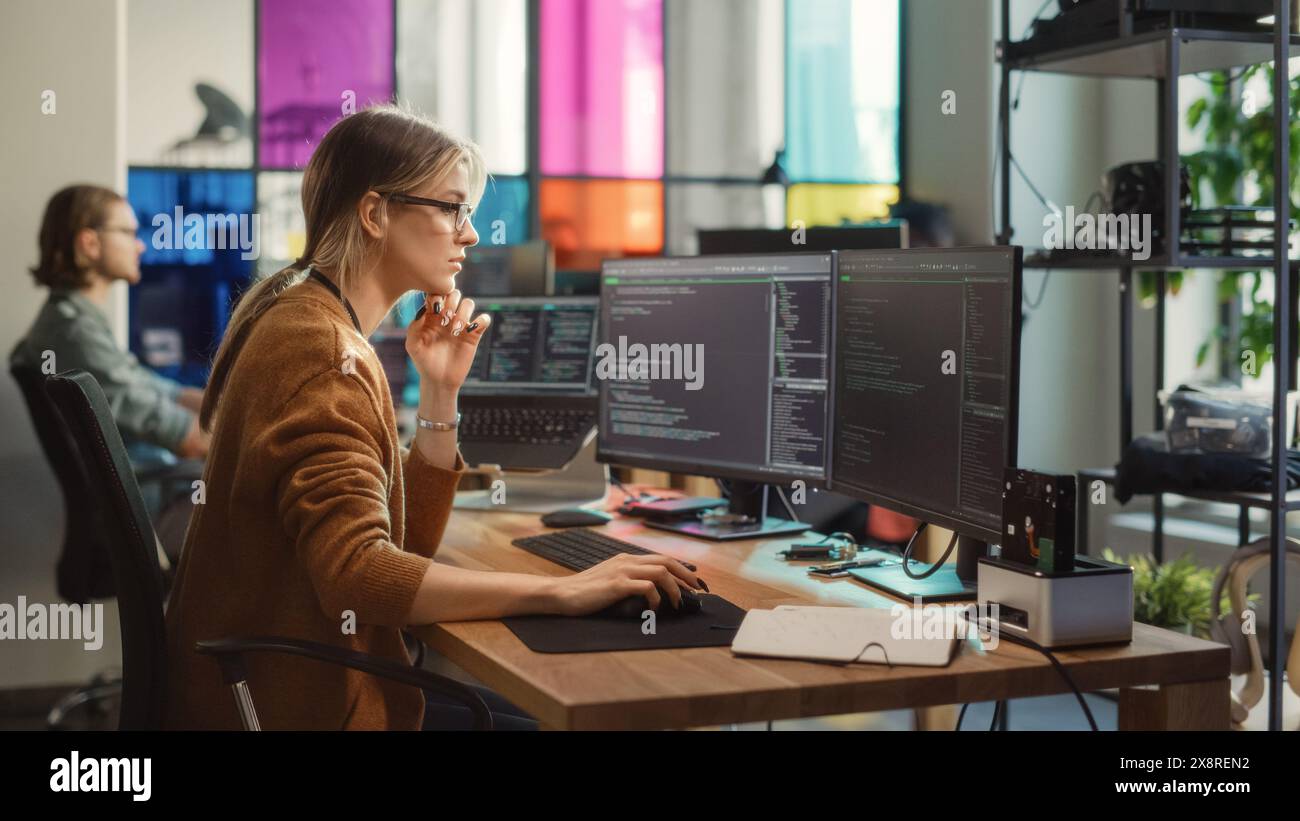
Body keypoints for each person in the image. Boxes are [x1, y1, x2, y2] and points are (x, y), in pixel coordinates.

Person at [163, 105, 703, 731]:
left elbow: (400, 547)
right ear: (375, 214)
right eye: (451, 208)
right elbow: (357, 576)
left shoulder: (306, 317)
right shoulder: (318, 348)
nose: (470, 234)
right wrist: (564, 590)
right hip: (298, 701)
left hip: (281, 685)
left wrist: (440, 393)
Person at [13, 184, 211, 468]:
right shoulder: (74, 333)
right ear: (90, 243)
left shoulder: (77, 322)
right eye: (129, 233)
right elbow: (189, 439)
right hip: (155, 494)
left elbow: (160, 391)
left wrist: (228, 406)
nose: (140, 244)